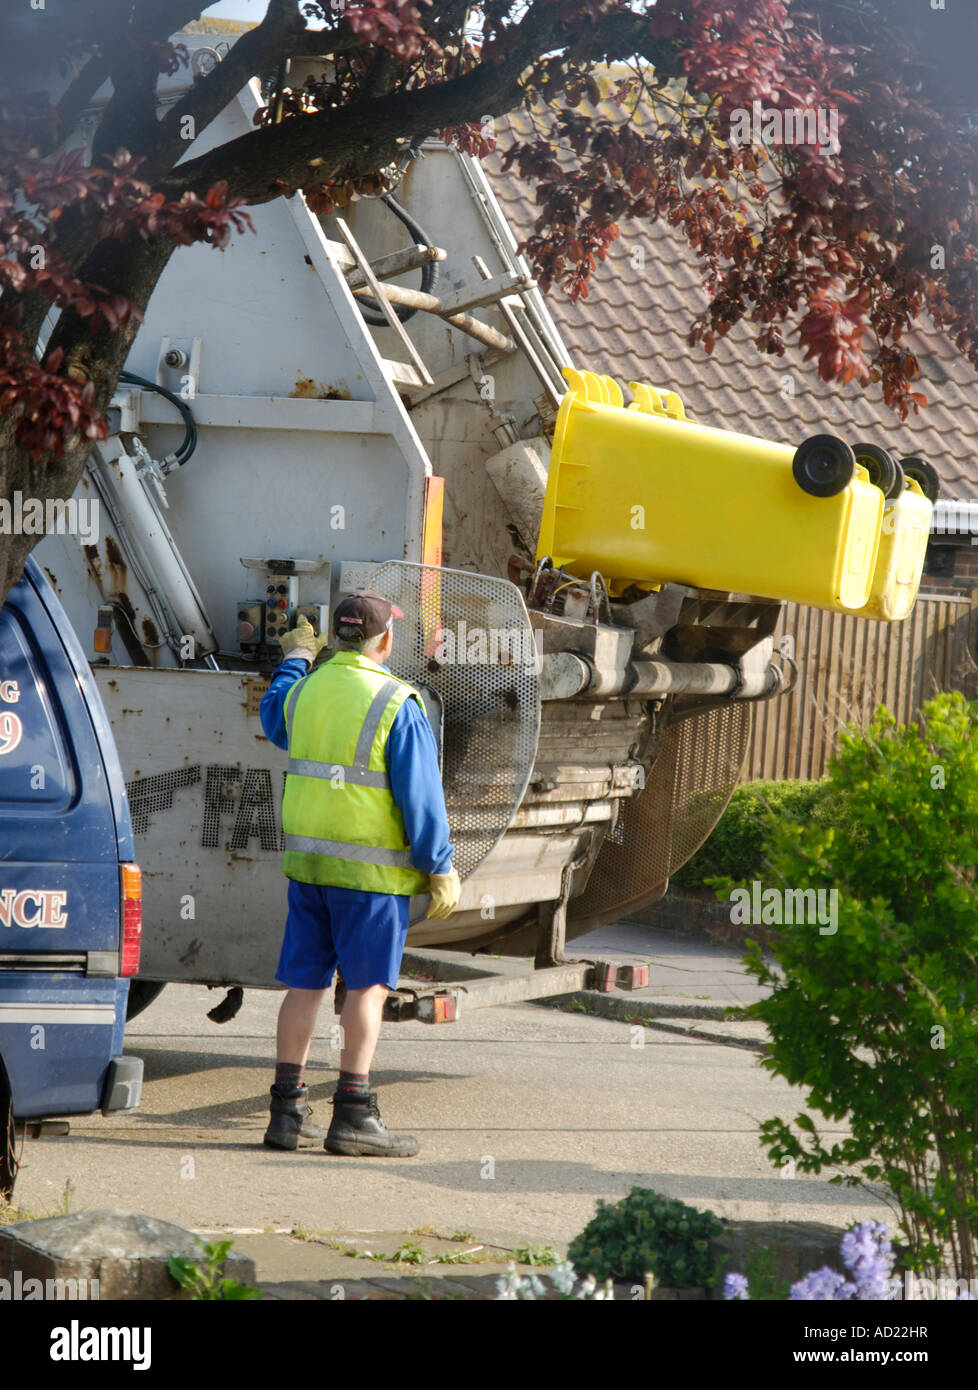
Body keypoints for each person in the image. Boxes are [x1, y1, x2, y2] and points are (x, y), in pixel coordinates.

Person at [258, 591, 460, 1156]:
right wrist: (439, 865)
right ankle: (352, 1116)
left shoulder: (305, 690)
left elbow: (273, 718)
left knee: (304, 988)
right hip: (371, 880)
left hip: (309, 869)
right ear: (385, 640)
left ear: (334, 638)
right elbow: (421, 796)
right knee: (366, 991)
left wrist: (297, 656)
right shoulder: (397, 701)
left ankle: (285, 1115)